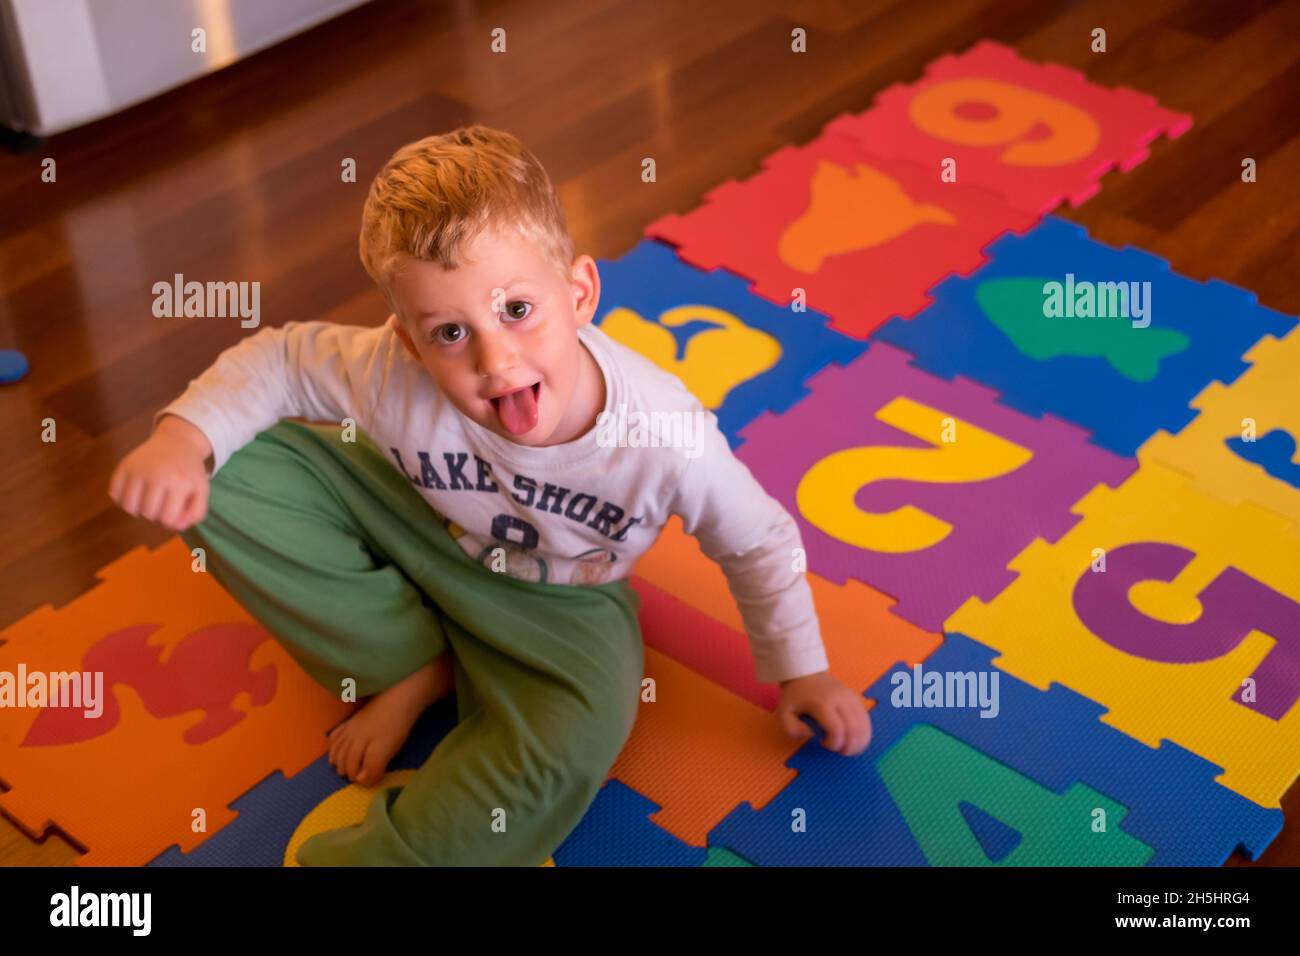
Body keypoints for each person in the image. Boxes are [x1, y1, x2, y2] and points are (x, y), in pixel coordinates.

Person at [108, 125, 871, 866]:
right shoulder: (389, 371)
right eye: (449, 333)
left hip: (561, 600)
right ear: (408, 340)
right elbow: (277, 363)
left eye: (516, 310)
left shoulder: (665, 434)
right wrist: (183, 439)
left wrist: (800, 669)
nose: (495, 358)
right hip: (423, 528)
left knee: (568, 746)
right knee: (223, 471)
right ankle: (404, 663)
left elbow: (758, 541)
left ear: (578, 293)